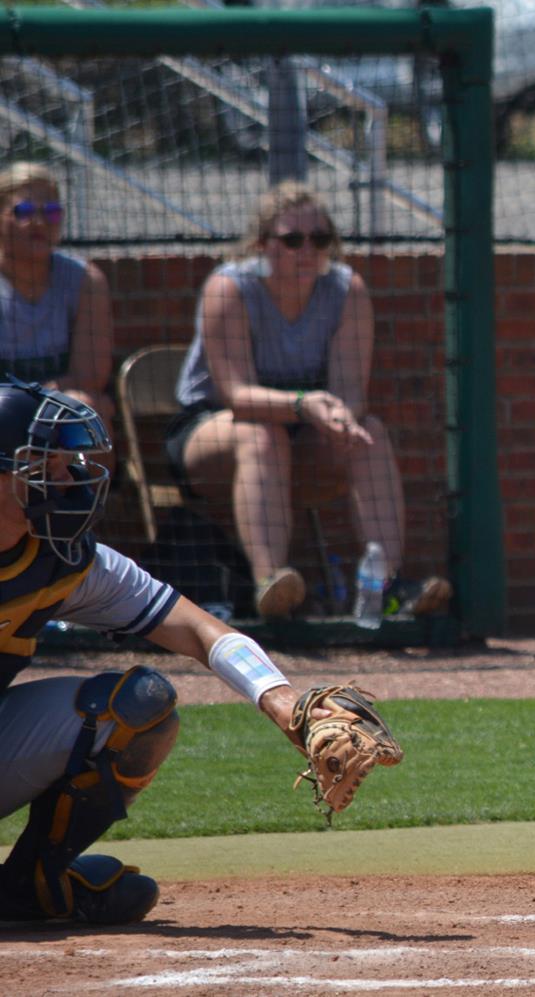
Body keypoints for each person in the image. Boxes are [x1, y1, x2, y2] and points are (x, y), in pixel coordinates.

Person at [0, 379, 372, 924]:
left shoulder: (61, 559)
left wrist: (283, 701)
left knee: (138, 706)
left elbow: (200, 631)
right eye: (42, 466)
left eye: (62, 462)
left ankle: (29, 888)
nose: (67, 478)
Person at [167, 181, 450, 620]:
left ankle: (386, 586)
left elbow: (351, 389)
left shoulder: (345, 289)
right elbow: (236, 396)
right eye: (292, 239)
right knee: (263, 434)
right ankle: (270, 584)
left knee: (369, 433)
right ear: (263, 244)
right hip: (215, 431)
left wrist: (341, 417)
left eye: (320, 240)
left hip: (307, 429)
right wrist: (305, 404)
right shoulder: (229, 287)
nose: (307, 250)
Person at [0, 163, 112, 417]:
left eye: (51, 211)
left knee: (90, 408)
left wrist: (35, 402)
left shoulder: (85, 280)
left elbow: (89, 376)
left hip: (56, 405)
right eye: (24, 211)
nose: (39, 222)